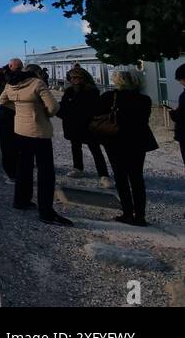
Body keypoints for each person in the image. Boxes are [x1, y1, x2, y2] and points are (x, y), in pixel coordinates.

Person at [0, 63, 71, 226]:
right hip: (39, 131)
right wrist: (42, 112)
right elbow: (54, 107)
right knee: (46, 172)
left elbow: (1, 101)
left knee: (23, 167)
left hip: (20, 130)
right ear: (37, 73)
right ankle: (46, 212)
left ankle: (20, 200)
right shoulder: (38, 83)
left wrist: (19, 110)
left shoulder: (11, 83)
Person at [95, 71, 158, 226]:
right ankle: (140, 215)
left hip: (115, 140)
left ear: (118, 81)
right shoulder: (144, 100)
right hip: (138, 141)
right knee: (137, 177)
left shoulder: (109, 97)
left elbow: (98, 115)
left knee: (121, 177)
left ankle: (128, 213)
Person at [59, 66, 111, 186]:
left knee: (95, 149)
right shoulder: (69, 91)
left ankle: (104, 175)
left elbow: (95, 109)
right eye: (71, 78)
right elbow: (64, 106)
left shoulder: (92, 91)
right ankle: (78, 168)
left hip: (88, 125)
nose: (73, 80)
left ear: (83, 78)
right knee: (75, 146)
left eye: (76, 77)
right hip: (73, 124)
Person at [171, 65, 185, 166]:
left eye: (180, 79)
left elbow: (181, 118)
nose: (180, 82)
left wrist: (174, 113)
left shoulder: (184, 96)